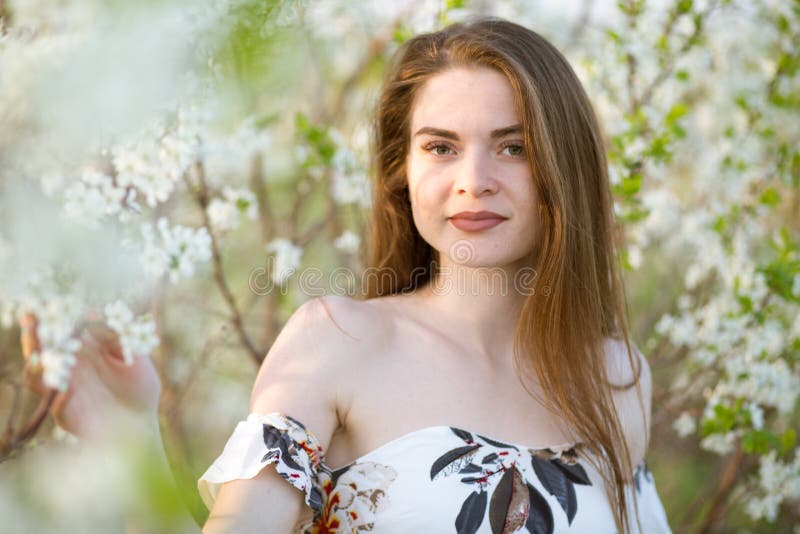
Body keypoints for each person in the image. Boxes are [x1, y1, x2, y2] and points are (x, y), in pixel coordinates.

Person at [26, 16, 673, 534]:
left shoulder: (617, 376)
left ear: (565, 166)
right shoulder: (338, 340)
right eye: (440, 147)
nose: (473, 181)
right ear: (402, 171)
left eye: (514, 147)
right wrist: (130, 438)